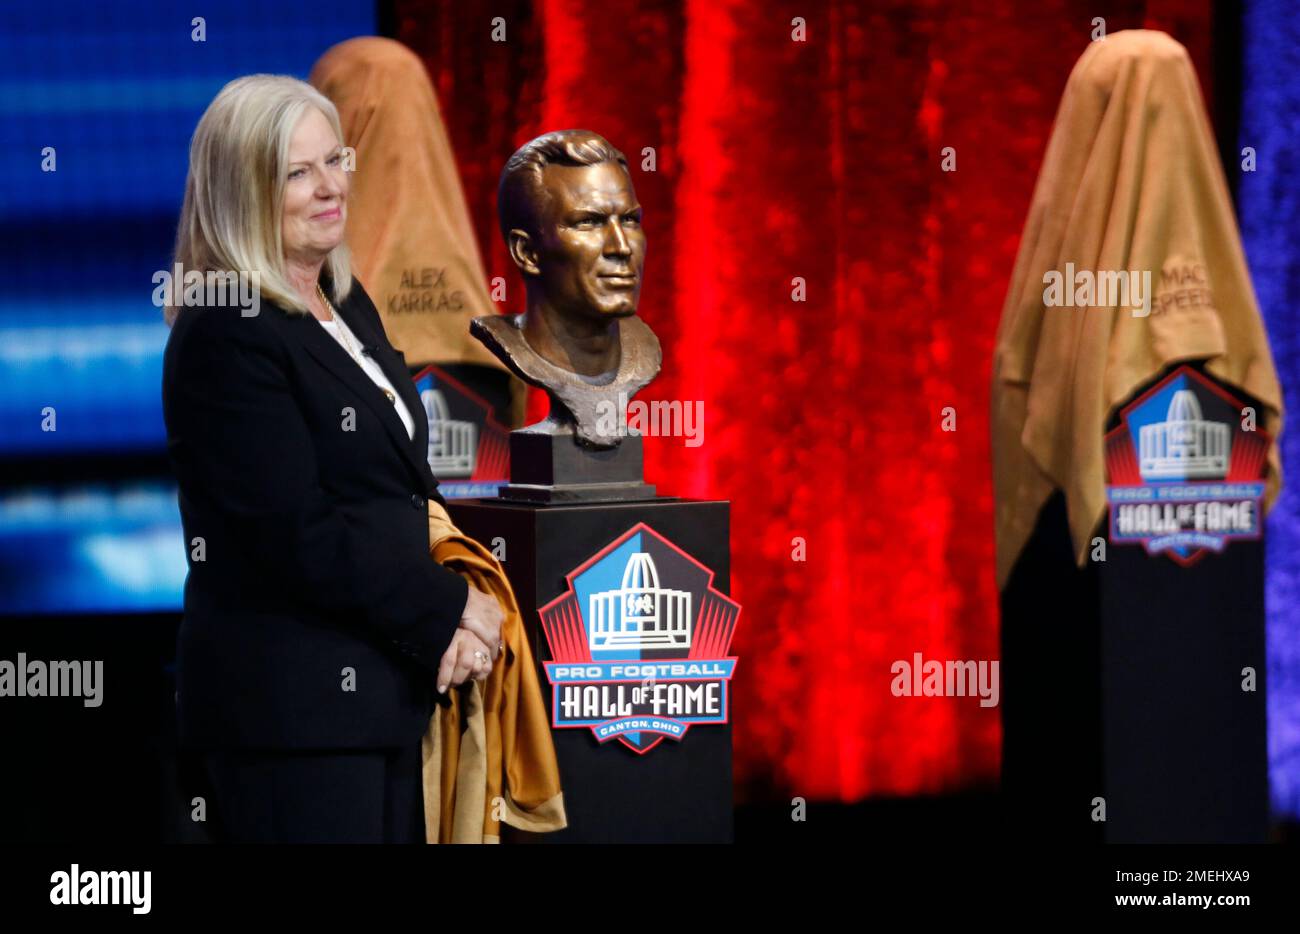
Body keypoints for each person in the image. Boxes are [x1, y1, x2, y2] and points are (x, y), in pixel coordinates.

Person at [161, 74, 504, 843]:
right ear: (241, 191)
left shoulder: (345, 303)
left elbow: (393, 492)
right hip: (294, 722)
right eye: (297, 171)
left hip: (382, 703)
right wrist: (446, 610)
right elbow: (297, 533)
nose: (331, 188)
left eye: (336, 159)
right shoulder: (225, 332)